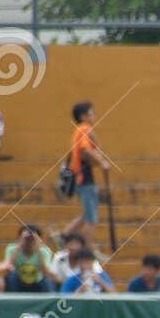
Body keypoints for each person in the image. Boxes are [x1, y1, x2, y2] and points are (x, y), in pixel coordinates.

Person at [62, 101, 110, 243]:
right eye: (91, 113)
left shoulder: (79, 130)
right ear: (83, 116)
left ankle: (65, 234)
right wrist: (103, 163)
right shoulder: (84, 128)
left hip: (81, 177)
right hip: (83, 177)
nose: (94, 116)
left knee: (89, 212)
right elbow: (85, 150)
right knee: (91, 218)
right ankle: (88, 249)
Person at [4, 224, 57, 292]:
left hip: (37, 283)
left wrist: (38, 250)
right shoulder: (12, 249)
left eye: (32, 239)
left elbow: (46, 273)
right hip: (18, 283)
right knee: (11, 276)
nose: (29, 242)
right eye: (26, 239)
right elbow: (7, 268)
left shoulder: (44, 251)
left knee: (48, 280)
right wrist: (20, 246)